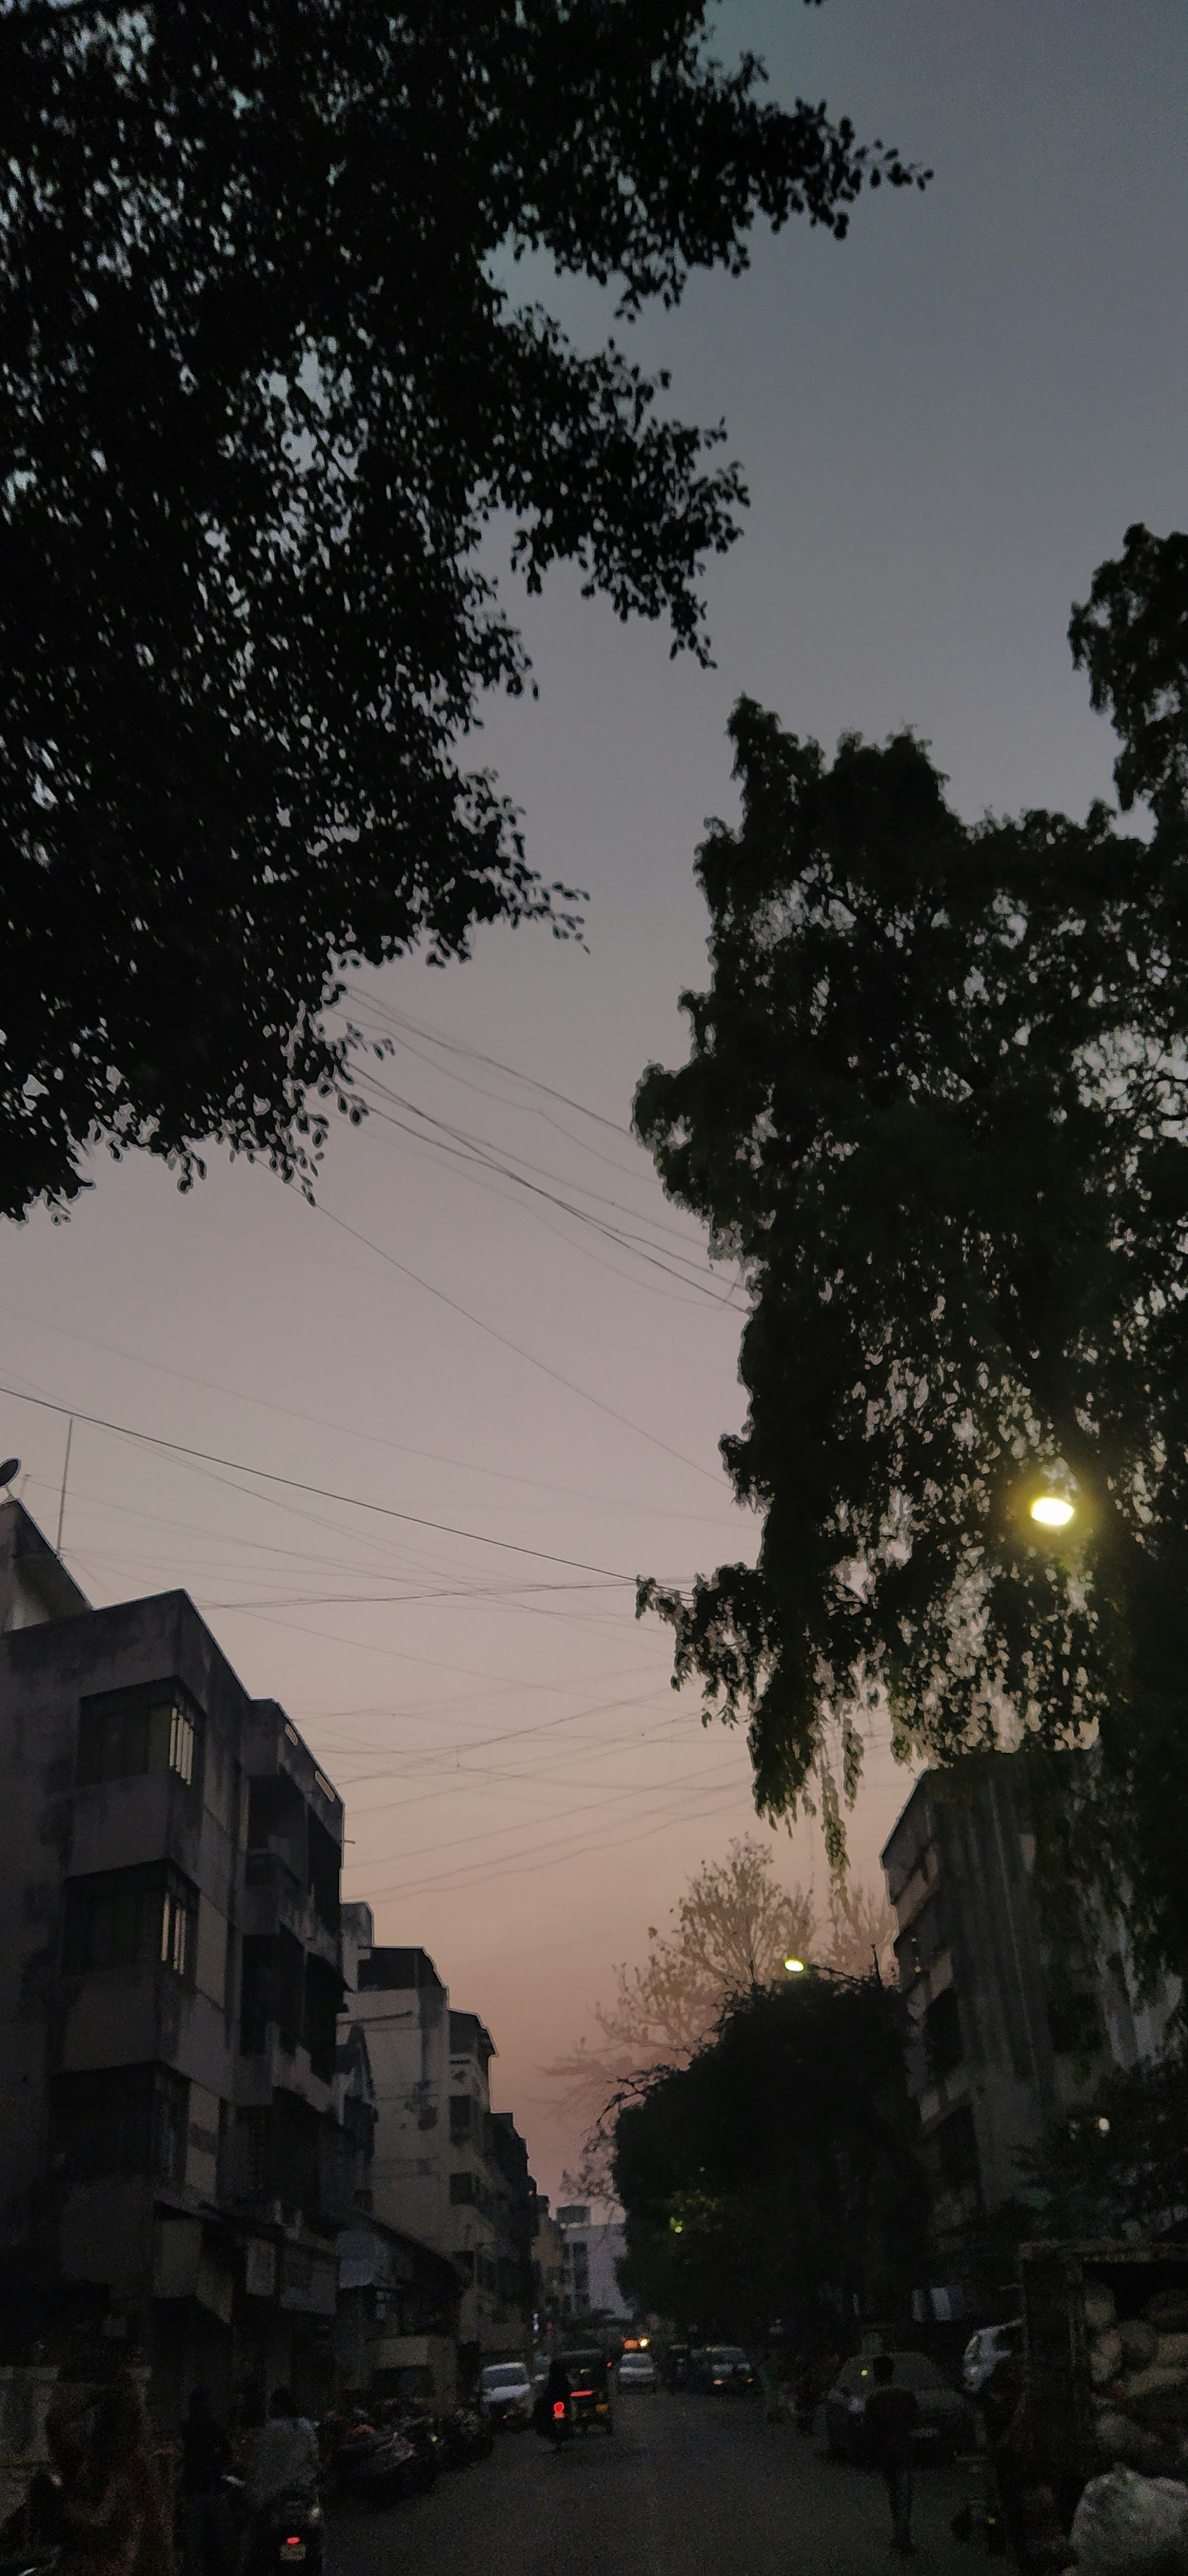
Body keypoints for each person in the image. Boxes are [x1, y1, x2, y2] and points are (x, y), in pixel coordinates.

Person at [48, 2369, 172, 2576]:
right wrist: (99, 2395)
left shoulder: (137, 2470)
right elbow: (54, 2423)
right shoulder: (85, 2465)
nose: (121, 2441)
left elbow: (153, 2528)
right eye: (116, 2430)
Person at [241, 2392, 318, 2572]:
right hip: (304, 2495)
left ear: (279, 2407)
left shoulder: (273, 2429)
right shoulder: (306, 2427)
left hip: (274, 2497)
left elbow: (261, 2464)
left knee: (256, 2548)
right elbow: (315, 2458)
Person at [863, 2353, 918, 2557]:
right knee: (904, 2493)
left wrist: (868, 2456)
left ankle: (900, 2532)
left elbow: (868, 2429)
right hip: (905, 2449)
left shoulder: (874, 2398)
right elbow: (915, 2421)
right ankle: (903, 2532)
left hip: (886, 2452)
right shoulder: (906, 2394)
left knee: (894, 2493)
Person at [179, 2391, 231, 2576]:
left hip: (199, 2490)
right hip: (209, 2489)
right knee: (217, 2539)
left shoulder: (190, 2429)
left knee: (196, 2542)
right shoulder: (211, 2428)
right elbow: (227, 2455)